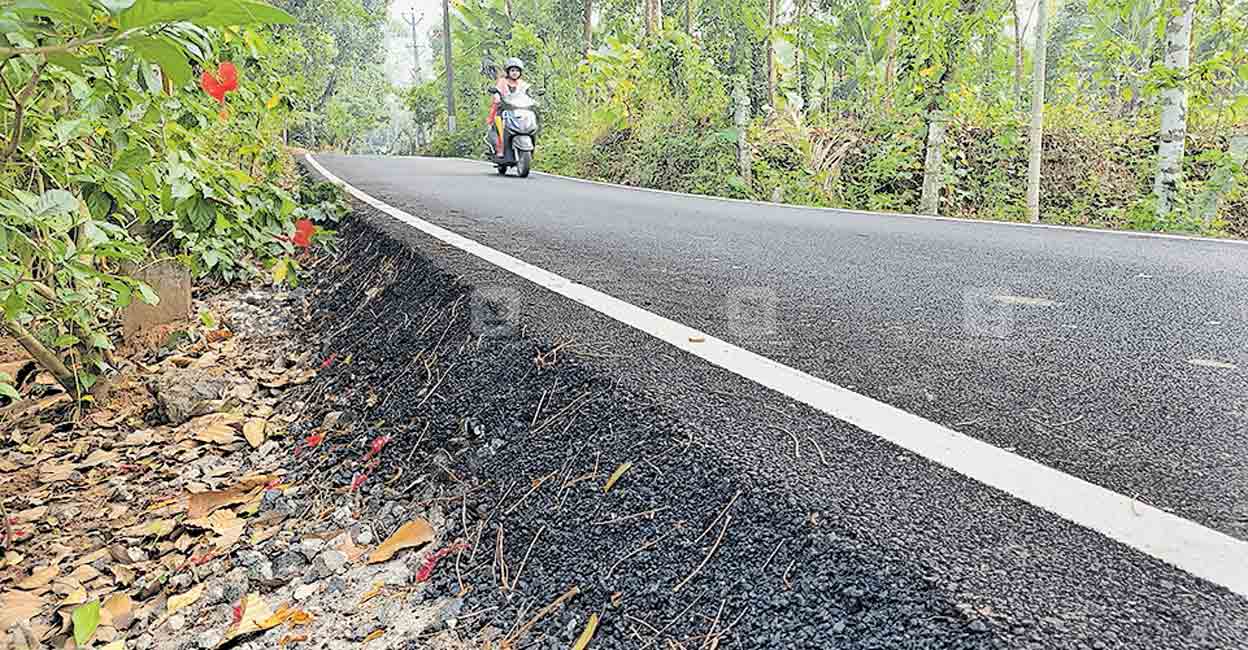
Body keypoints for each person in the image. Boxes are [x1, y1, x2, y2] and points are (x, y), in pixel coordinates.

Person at [486, 57, 529, 155]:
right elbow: (496, 93)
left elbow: (529, 94)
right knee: (500, 125)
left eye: (517, 71)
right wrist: (498, 98)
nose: (515, 73)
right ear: (508, 71)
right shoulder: (502, 82)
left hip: (519, 110)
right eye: (512, 70)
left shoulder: (523, 84)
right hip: (504, 110)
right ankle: (500, 148)